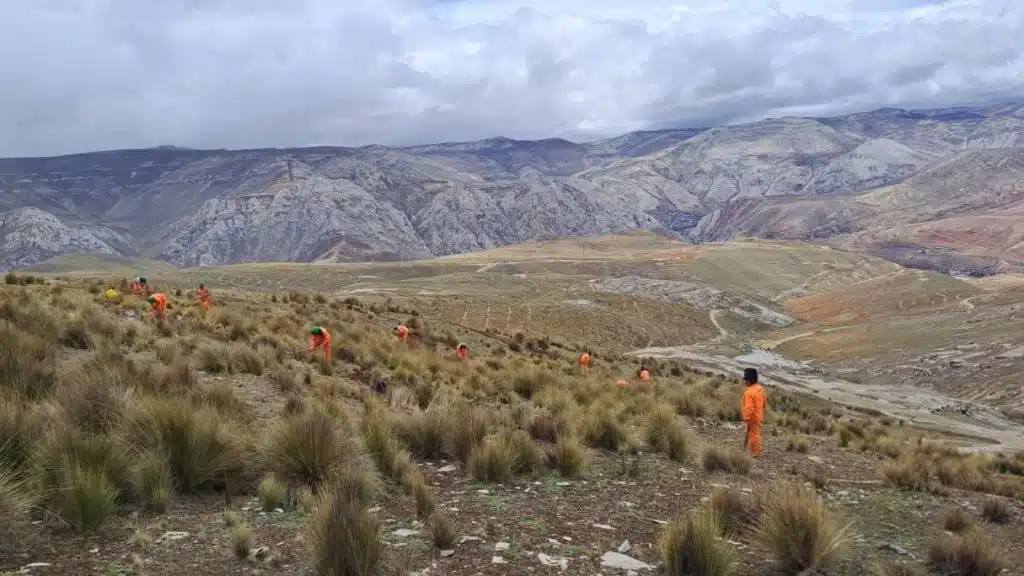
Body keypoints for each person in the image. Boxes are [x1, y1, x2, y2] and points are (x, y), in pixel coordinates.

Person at [742, 367, 767, 458]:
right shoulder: (760, 389)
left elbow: (748, 408)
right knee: (756, 433)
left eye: (745, 380)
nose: (744, 382)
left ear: (749, 381)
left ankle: (756, 453)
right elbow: (764, 403)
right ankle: (756, 451)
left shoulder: (748, 393)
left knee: (753, 435)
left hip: (752, 418)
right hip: (758, 415)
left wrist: (747, 418)